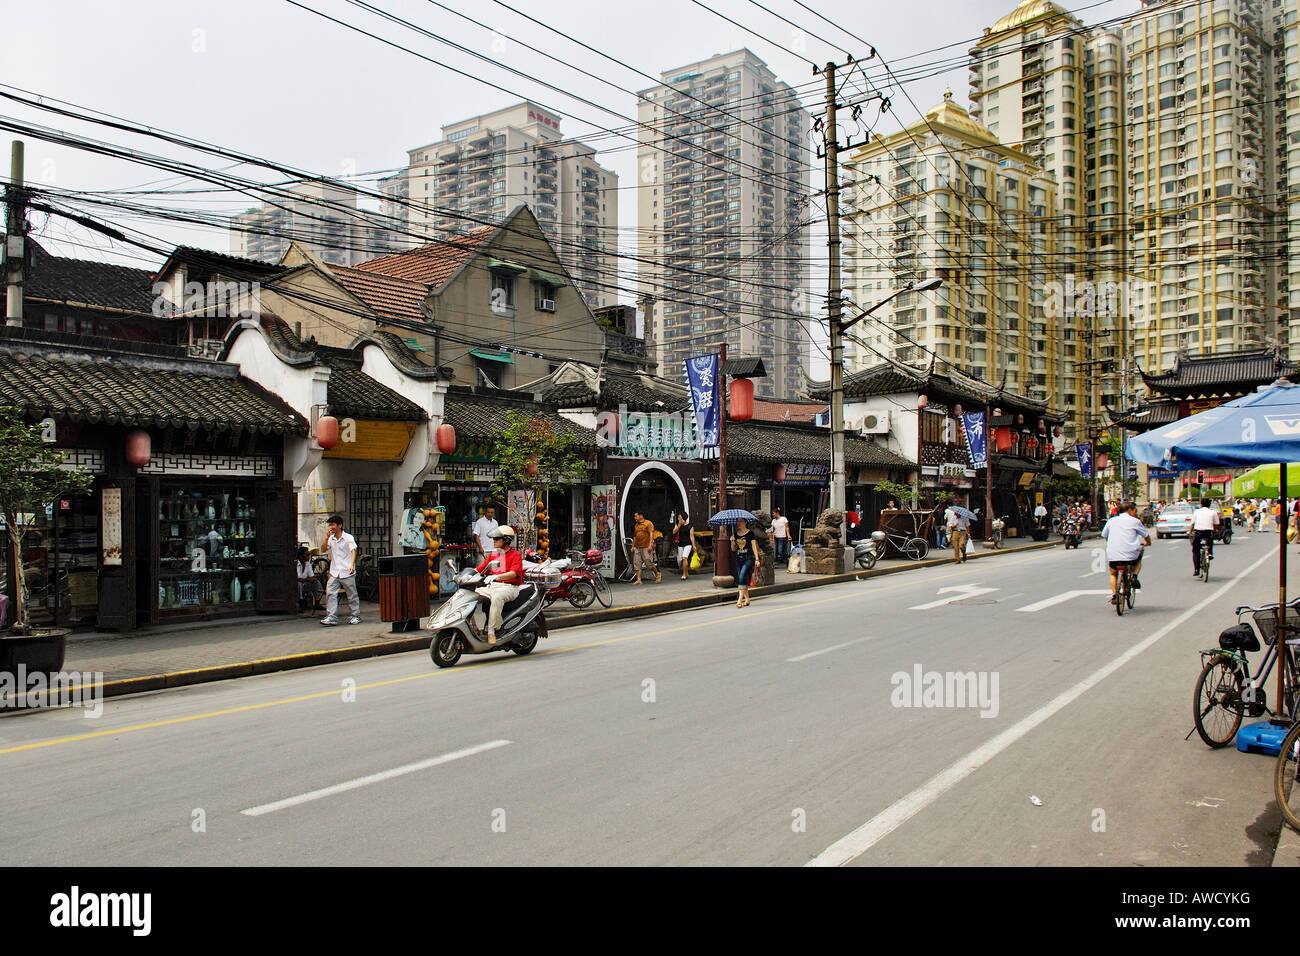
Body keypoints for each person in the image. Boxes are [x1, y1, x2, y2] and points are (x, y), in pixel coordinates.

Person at [474, 525, 523, 644]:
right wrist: (465, 574)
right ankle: (471, 625)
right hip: (493, 586)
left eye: (497, 539)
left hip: (509, 588)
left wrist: (497, 576)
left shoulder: (516, 555)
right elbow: (480, 569)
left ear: (506, 540)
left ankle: (491, 631)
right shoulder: (494, 555)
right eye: (494, 539)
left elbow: (513, 573)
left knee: (497, 597)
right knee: (471, 594)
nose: (494, 541)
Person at [1100, 500, 1150, 604]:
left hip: (1114, 554)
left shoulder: (1111, 520)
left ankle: (1114, 595)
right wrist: (1147, 543)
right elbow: (1146, 535)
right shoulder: (1135, 521)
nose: (1135, 512)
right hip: (1130, 555)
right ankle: (1134, 577)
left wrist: (1110, 543)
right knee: (1138, 559)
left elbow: (1104, 535)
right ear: (1130, 510)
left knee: (1113, 574)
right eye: (1135, 510)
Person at [320, 514, 360, 626]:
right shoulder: (331, 539)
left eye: (333, 524)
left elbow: (353, 551)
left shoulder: (348, 538)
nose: (331, 527)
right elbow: (323, 549)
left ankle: (355, 615)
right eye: (330, 525)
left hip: (347, 571)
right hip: (334, 571)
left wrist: (352, 565)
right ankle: (331, 616)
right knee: (330, 593)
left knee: (351, 594)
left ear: (340, 525)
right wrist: (326, 537)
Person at [732, 516, 761, 607]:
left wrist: (757, 559)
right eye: (738, 521)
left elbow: (754, 546)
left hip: (748, 557)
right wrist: (732, 541)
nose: (739, 523)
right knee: (742, 578)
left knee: (741, 577)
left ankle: (740, 599)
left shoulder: (750, 533)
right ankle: (747, 599)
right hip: (739, 558)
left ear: (745, 523)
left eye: (741, 521)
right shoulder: (735, 534)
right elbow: (733, 549)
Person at [1191, 497, 1220, 576]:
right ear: (1209, 505)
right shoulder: (1213, 512)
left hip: (1198, 532)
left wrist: (1190, 532)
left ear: (1201, 504)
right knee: (1210, 542)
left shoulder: (1197, 511)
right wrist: (1216, 530)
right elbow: (1216, 523)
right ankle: (1210, 554)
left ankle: (1197, 569)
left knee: (1196, 551)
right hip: (1208, 532)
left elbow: (1192, 523)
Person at [632, 511, 658, 584]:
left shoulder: (648, 523)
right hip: (637, 546)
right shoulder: (636, 525)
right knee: (637, 562)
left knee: (648, 562)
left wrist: (650, 545)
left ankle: (657, 573)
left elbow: (651, 534)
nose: (635, 518)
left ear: (641, 516)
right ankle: (639, 579)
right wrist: (633, 546)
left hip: (646, 546)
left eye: (636, 516)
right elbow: (635, 536)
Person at [296, 545, 324, 612]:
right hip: (297, 585)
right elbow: (297, 578)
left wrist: (312, 579)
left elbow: (312, 576)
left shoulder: (307, 563)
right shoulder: (296, 563)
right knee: (299, 584)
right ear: (301, 556)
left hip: (305, 583)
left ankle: (317, 602)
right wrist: (308, 579)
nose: (308, 557)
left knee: (316, 582)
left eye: (309, 555)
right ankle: (300, 601)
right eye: (307, 555)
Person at [674, 512, 697, 581]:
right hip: (680, 544)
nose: (678, 518)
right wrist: (679, 525)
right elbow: (674, 532)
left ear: (683, 517)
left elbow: (692, 536)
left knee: (684, 558)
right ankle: (686, 573)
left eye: (679, 517)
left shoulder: (690, 526)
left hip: (688, 544)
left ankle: (684, 574)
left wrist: (694, 546)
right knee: (680, 560)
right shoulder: (678, 525)